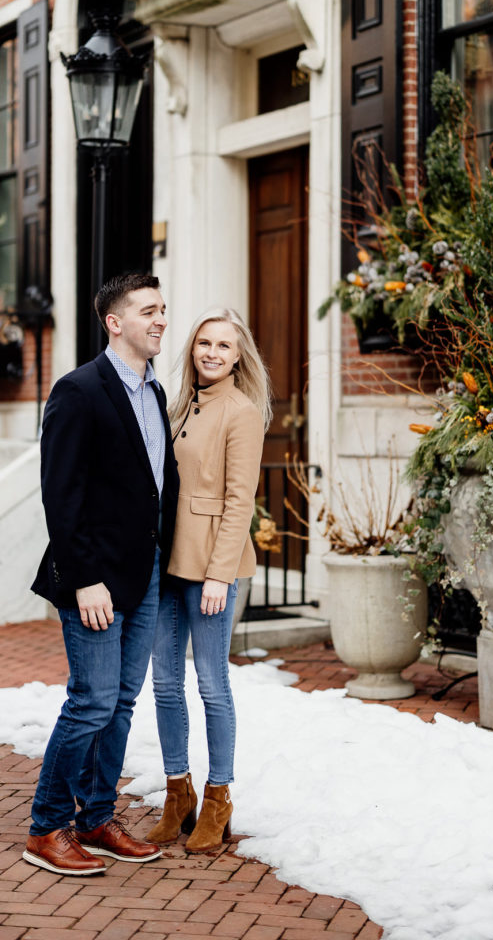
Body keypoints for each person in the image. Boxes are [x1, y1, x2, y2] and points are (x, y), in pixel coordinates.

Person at [24, 273, 179, 877]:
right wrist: (85, 577)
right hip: (95, 581)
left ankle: (95, 816)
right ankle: (46, 827)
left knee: (119, 703)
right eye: (148, 311)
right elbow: (60, 498)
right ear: (115, 323)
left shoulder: (155, 392)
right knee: (89, 702)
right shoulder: (77, 391)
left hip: (144, 578)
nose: (161, 319)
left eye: (163, 309)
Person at [146, 307, 272, 852]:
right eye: (204, 344)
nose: (212, 353)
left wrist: (221, 574)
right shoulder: (179, 405)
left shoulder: (241, 412)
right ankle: (179, 793)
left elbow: (240, 499)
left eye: (223, 346)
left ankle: (218, 797)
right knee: (165, 683)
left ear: (238, 356)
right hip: (165, 561)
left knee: (211, 684)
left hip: (209, 568)